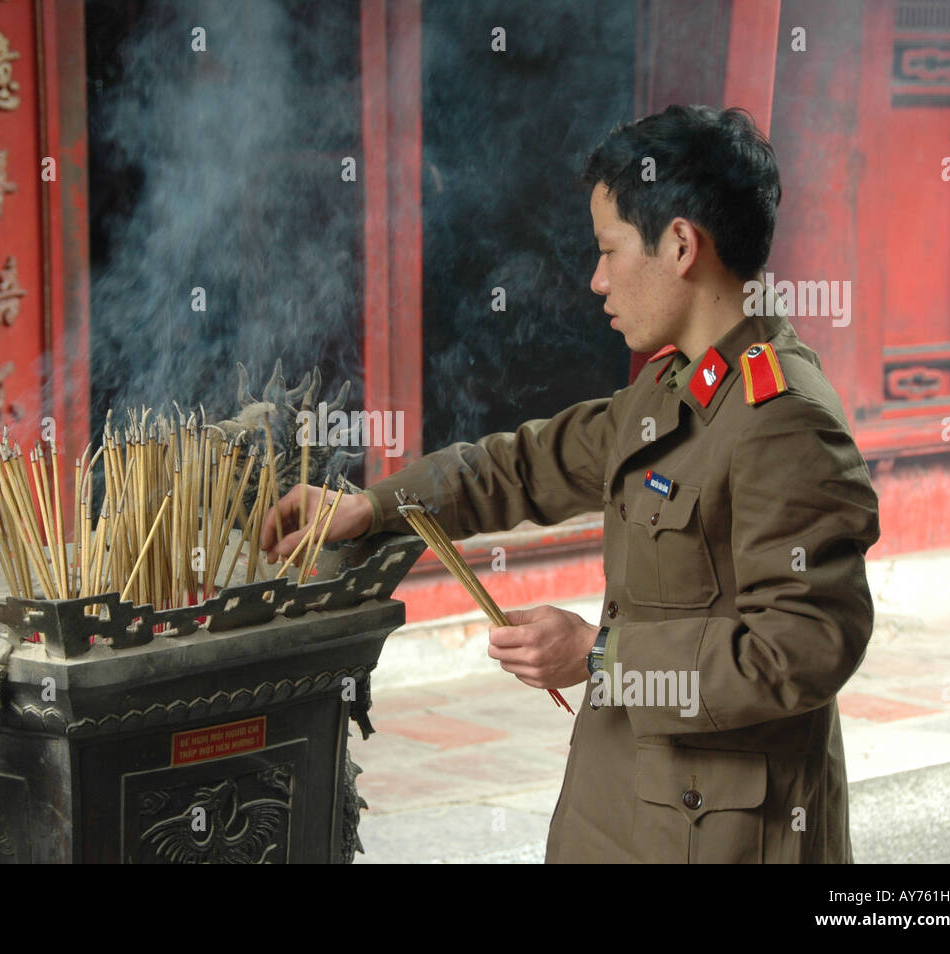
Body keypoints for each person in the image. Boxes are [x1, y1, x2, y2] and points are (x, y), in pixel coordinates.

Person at [260, 105, 880, 864]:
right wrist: (372, 505)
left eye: (610, 249)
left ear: (681, 245)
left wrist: (599, 656)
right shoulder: (671, 391)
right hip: (623, 803)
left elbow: (803, 649)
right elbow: (523, 464)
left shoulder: (782, 420)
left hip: (723, 835)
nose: (597, 279)